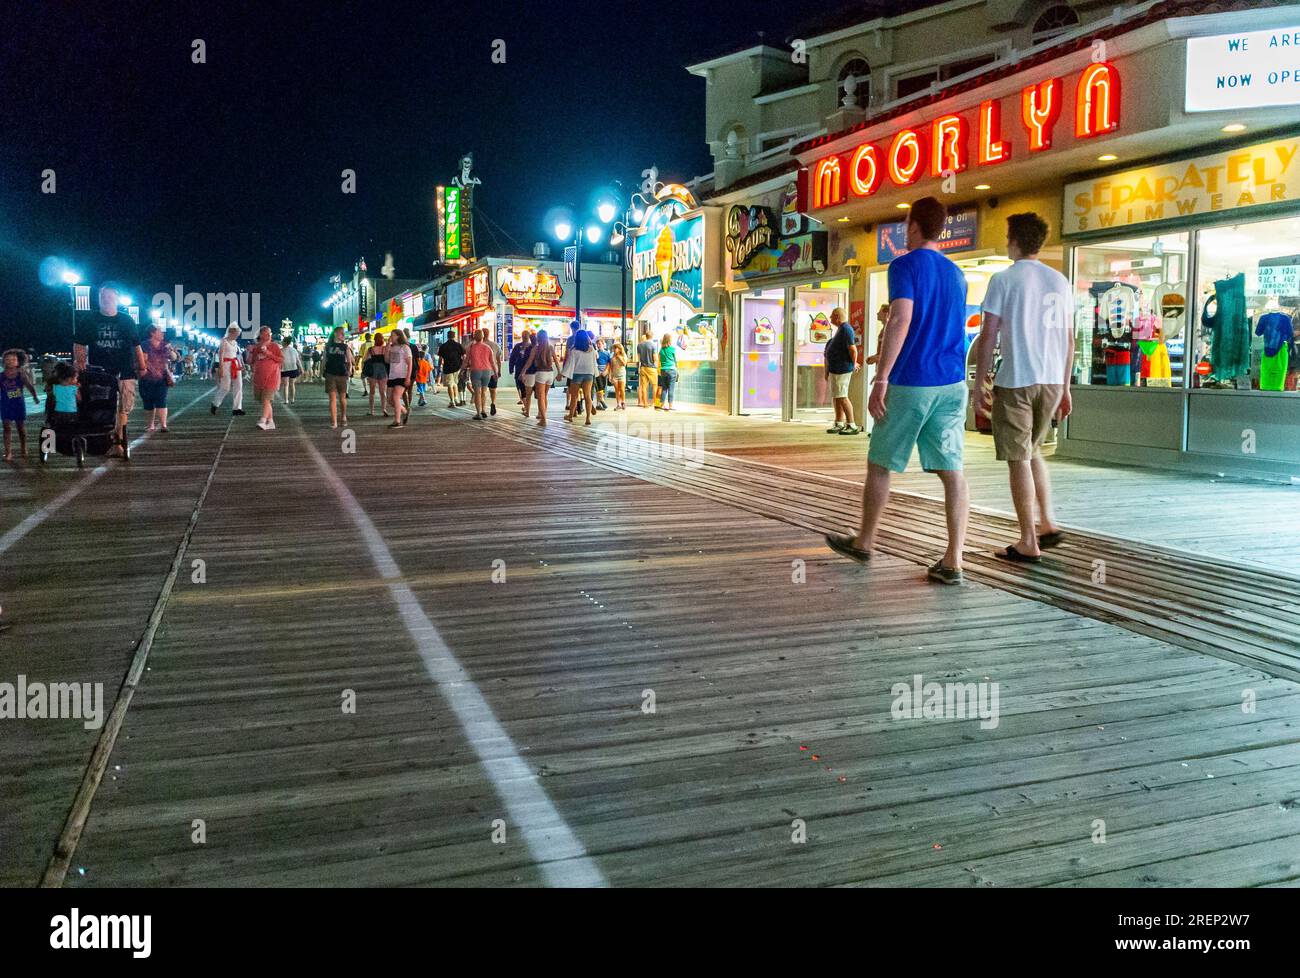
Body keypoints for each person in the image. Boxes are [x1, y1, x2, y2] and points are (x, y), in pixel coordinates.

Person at [825, 196, 970, 585]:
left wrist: (883, 376)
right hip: (953, 383)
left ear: (914, 226)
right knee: (952, 471)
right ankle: (953, 559)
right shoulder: (957, 274)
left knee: (881, 464)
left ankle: (866, 540)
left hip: (912, 381)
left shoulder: (904, 265)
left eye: (906, 223)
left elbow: (901, 317)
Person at [972, 212, 1074, 563]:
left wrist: (978, 382)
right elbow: (1069, 339)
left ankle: (1028, 539)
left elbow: (988, 336)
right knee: (1033, 451)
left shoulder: (1004, 279)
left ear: (1014, 239)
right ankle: (1047, 522)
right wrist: (1065, 386)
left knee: (1018, 458)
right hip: (1050, 381)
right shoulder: (1060, 281)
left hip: (1016, 379)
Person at [73, 285, 146, 453]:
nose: (107, 300)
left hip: (125, 370)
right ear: (99, 299)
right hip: (99, 372)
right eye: (104, 297)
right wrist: (81, 360)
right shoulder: (89, 319)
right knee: (100, 404)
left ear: (116, 300)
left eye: (110, 297)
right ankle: (103, 437)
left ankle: (118, 439)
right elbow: (79, 343)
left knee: (124, 407)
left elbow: (136, 345)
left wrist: (141, 366)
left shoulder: (126, 320)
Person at [824, 307, 861, 435]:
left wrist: (853, 363)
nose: (830, 318)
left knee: (842, 396)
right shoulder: (840, 330)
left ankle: (851, 424)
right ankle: (839, 422)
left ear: (837, 317)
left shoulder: (846, 329)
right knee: (837, 397)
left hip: (842, 369)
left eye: (832, 316)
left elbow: (853, 349)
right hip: (835, 369)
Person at [2, 350, 40, 461]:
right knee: (6, 427)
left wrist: (35, 397)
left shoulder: (21, 375)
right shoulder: (1, 376)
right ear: (4, 361)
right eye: (7, 359)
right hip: (5, 404)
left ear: (18, 361)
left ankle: (24, 447)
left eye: (13, 359)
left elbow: (29, 386)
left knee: (20, 428)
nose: (10, 362)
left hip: (18, 404)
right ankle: (8, 452)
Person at [139, 324, 175, 433]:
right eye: (160, 331)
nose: (163, 333)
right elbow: (143, 360)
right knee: (148, 402)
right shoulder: (145, 345)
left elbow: (174, 358)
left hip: (162, 378)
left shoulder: (165, 345)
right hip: (147, 377)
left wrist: (171, 349)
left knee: (161, 400)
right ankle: (151, 425)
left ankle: (163, 425)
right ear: (152, 333)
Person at [248, 326, 284, 430]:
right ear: (260, 335)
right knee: (264, 401)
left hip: (272, 377)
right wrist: (251, 352)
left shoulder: (274, 346)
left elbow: (281, 359)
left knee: (266, 399)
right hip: (259, 379)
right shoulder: (257, 347)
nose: (268, 336)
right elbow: (251, 361)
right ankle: (271, 422)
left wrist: (269, 353)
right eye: (265, 334)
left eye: (269, 333)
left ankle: (263, 420)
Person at [520, 328, 558, 426]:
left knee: (540, 397)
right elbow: (556, 361)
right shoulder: (550, 347)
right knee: (544, 396)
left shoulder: (536, 348)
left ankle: (543, 419)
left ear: (538, 338)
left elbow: (529, 362)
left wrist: (523, 372)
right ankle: (542, 415)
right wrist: (560, 372)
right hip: (550, 373)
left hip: (540, 373)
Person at [211, 325, 246, 417]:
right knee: (225, 387)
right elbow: (221, 355)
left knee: (239, 386)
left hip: (235, 364)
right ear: (231, 332)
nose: (237, 336)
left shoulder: (235, 342)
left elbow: (237, 355)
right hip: (226, 364)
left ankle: (237, 408)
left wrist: (241, 365)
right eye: (236, 334)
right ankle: (215, 403)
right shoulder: (224, 341)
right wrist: (221, 368)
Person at [322, 325, 353, 429]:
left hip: (342, 374)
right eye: (342, 333)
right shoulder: (328, 346)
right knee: (332, 398)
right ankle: (334, 421)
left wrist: (349, 371)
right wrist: (322, 371)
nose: (343, 335)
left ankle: (343, 416)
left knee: (342, 398)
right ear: (336, 334)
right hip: (330, 373)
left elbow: (349, 361)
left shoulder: (345, 347)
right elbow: (324, 360)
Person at [464, 328, 496, 420]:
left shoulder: (471, 347)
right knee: (484, 391)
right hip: (487, 371)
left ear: (474, 337)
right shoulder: (488, 347)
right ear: (483, 337)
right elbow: (492, 362)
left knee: (477, 392)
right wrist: (495, 373)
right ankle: (483, 410)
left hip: (475, 371)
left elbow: (466, 361)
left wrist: (462, 369)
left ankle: (478, 413)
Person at [385, 328, 412, 428]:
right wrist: (387, 347)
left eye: (392, 335)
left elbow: (410, 363)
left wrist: (408, 377)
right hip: (392, 376)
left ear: (398, 336)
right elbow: (387, 360)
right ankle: (404, 411)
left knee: (396, 397)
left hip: (402, 376)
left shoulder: (405, 347)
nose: (390, 337)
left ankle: (397, 421)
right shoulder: (391, 348)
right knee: (390, 400)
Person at [437, 332, 465, 408]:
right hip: (457, 368)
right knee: (455, 383)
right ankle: (456, 399)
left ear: (447, 336)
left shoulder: (443, 346)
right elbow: (464, 356)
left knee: (450, 384)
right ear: (454, 336)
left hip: (447, 368)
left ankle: (452, 401)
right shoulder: (458, 345)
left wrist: (439, 368)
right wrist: (463, 366)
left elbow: (440, 358)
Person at [364, 332, 388, 416]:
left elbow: (365, 360)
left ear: (374, 340)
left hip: (373, 369)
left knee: (372, 391)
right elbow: (387, 359)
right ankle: (384, 409)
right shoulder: (384, 348)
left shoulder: (370, 349)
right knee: (382, 391)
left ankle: (371, 411)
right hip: (383, 369)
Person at [510, 329, 533, 408]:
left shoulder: (532, 346)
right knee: (520, 386)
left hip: (529, 371)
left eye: (526, 336)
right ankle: (526, 405)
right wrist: (511, 368)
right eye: (523, 336)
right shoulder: (517, 346)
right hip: (519, 369)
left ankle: (526, 406)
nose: (524, 337)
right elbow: (512, 358)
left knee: (526, 388)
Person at [656, 333, 678, 411]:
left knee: (664, 388)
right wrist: (677, 368)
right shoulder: (672, 349)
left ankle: (662, 405)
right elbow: (675, 360)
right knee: (671, 388)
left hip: (663, 370)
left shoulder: (661, 350)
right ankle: (670, 406)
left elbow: (659, 359)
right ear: (670, 340)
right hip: (672, 369)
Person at [483, 329, 503, 416]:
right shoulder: (495, 345)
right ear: (488, 334)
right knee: (493, 389)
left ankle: (483, 409)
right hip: (493, 370)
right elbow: (498, 360)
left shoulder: (477, 345)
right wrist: (499, 371)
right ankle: (493, 403)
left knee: (482, 391)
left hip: (482, 371)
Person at [636, 328, 657, 408]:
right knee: (654, 385)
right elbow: (655, 358)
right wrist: (656, 365)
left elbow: (638, 358)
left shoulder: (639, 345)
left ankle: (645, 403)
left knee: (644, 386)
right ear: (652, 336)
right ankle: (654, 403)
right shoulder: (653, 345)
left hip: (643, 368)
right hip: (651, 368)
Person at [279, 336, 302, 404]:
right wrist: (301, 368)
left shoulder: (281, 350)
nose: (281, 342)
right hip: (293, 368)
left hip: (284, 369)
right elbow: (298, 360)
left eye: (282, 341)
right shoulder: (294, 350)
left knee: (286, 385)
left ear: (285, 342)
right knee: (292, 384)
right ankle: (292, 399)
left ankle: (286, 400)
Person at [608, 342, 628, 410]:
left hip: (622, 375)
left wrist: (619, 357)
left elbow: (624, 364)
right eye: (614, 348)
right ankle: (618, 404)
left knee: (622, 389)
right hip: (615, 375)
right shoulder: (612, 356)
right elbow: (611, 366)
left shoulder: (623, 355)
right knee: (617, 390)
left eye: (616, 348)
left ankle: (623, 402)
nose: (615, 349)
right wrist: (610, 375)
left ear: (620, 349)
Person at [594, 337, 611, 411]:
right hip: (597, 371)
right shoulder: (596, 353)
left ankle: (599, 404)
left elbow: (609, 363)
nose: (598, 345)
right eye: (597, 344)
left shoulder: (607, 353)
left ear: (603, 344)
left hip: (604, 371)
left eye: (600, 344)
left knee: (602, 387)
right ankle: (601, 401)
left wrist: (607, 371)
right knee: (599, 387)